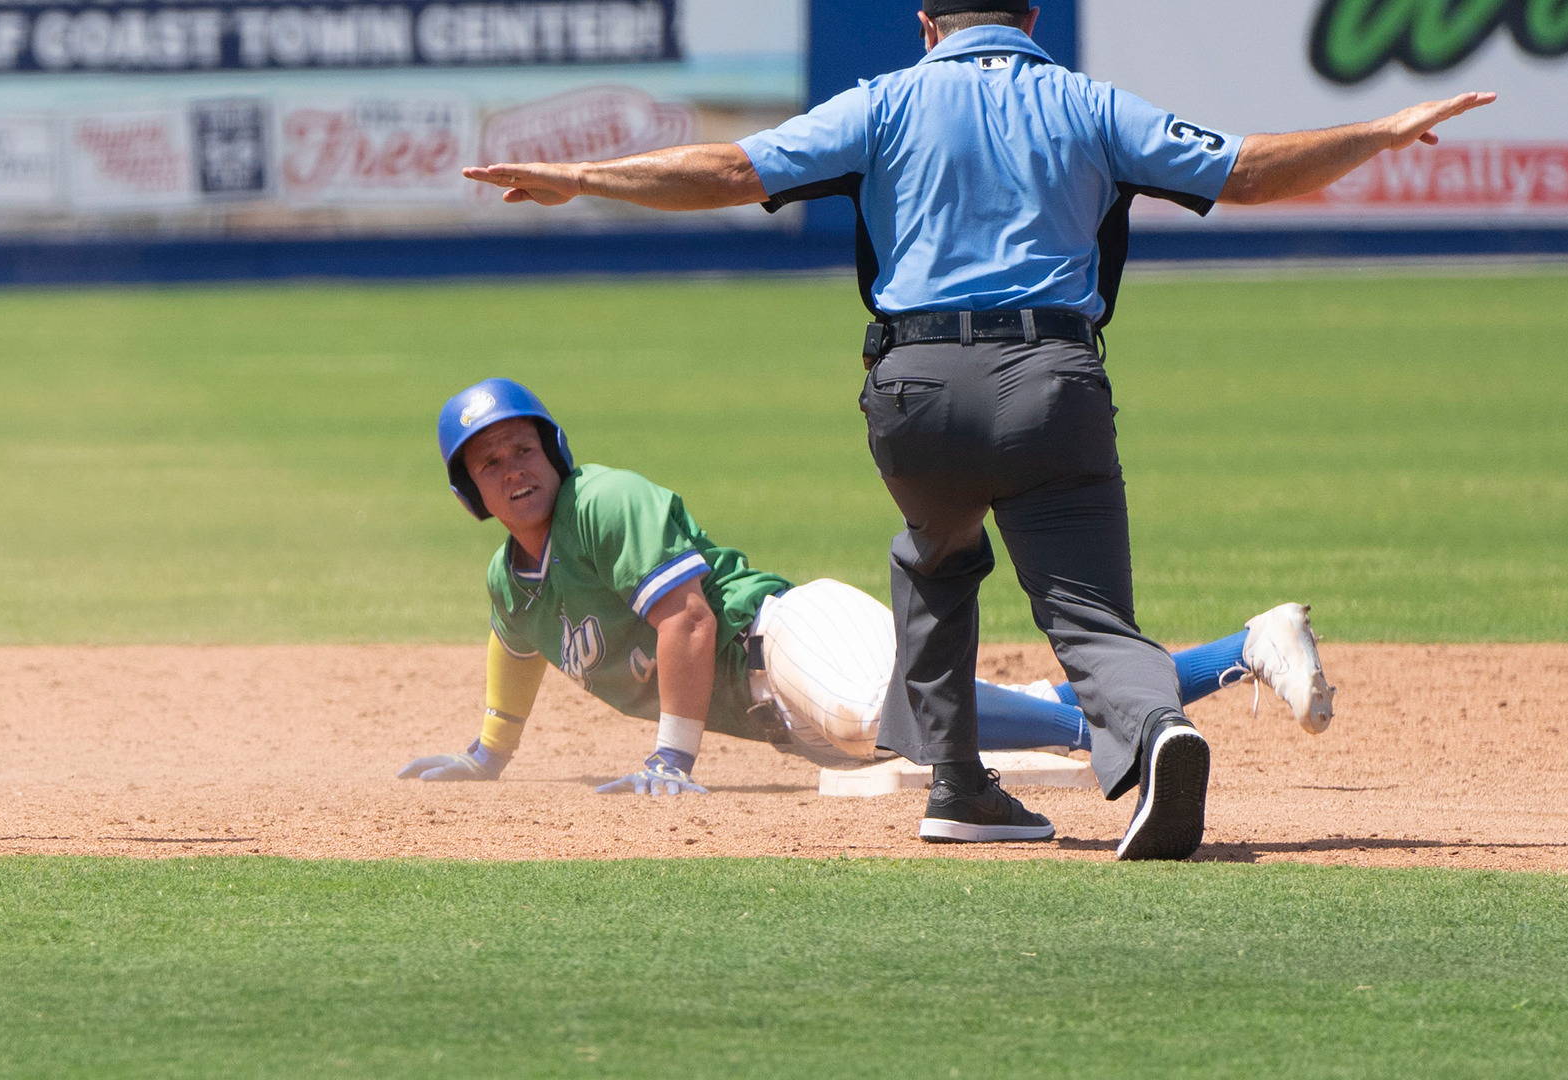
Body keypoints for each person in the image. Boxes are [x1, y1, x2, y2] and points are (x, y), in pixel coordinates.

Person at [459, 1, 1481, 857]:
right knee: (1083, 608)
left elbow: (730, 170)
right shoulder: (1086, 101)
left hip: (915, 394)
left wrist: (589, 178)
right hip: (1052, 378)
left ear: (924, 24)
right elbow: (1252, 171)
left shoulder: (886, 101)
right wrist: (1379, 132)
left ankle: (957, 787)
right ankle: (1158, 727)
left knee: (934, 563)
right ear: (1033, 18)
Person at [398, 379, 1332, 826]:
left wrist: (668, 761)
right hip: (788, 718)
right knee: (1013, 720)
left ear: (552, 453)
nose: (513, 469)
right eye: (490, 462)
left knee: (883, 710)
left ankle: (1137, 724)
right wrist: (487, 753)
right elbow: (515, 642)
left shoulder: (603, 500)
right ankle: (1247, 644)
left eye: (524, 449)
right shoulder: (507, 577)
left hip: (792, 635)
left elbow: (685, 618)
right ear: (470, 493)